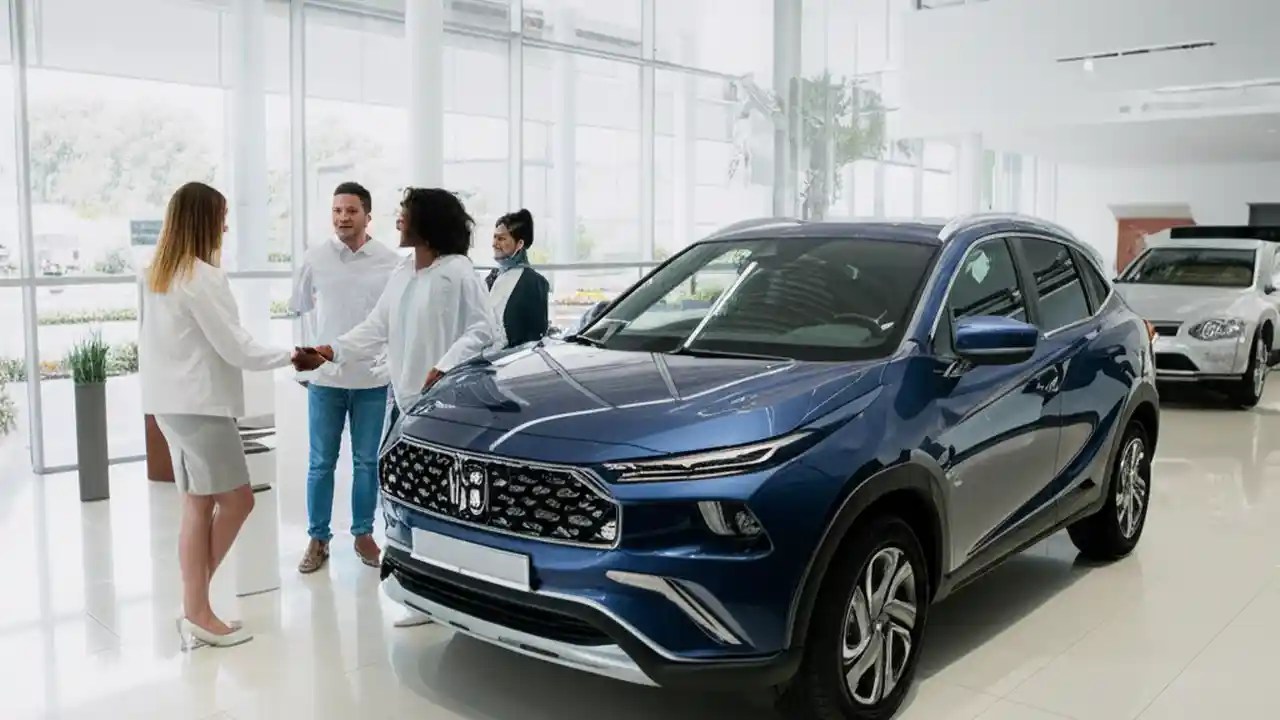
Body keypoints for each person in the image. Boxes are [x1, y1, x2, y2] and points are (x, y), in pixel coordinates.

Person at [293, 188, 502, 625]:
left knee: (443, 504)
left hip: (446, 406)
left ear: (426, 222)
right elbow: (375, 328)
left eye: (404, 216)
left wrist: (444, 366)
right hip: (407, 402)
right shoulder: (405, 271)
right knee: (414, 500)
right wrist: (328, 351)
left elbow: (486, 331)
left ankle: (454, 596)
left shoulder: (458, 271)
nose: (398, 223)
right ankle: (428, 596)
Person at [139, 182, 297, 649]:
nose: (226, 225)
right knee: (238, 501)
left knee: (197, 504)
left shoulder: (156, 273)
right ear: (204, 219)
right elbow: (238, 347)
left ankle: (195, 610)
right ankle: (197, 609)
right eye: (222, 215)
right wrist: (294, 355)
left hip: (168, 404)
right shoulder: (203, 276)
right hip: (202, 407)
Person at [289, 182, 400, 574]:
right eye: (337, 210)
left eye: (351, 211)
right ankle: (318, 539)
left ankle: (363, 534)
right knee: (321, 463)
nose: (342, 218)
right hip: (325, 380)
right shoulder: (315, 258)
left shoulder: (390, 262)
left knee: (367, 462)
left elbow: (394, 321)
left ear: (368, 215)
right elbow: (299, 309)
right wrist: (304, 360)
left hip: (371, 380)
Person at [485, 209, 550, 347]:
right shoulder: (493, 276)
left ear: (519, 244)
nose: (494, 243)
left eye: (501, 238)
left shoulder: (535, 283)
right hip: (484, 357)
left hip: (512, 361)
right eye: (494, 237)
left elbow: (535, 338)